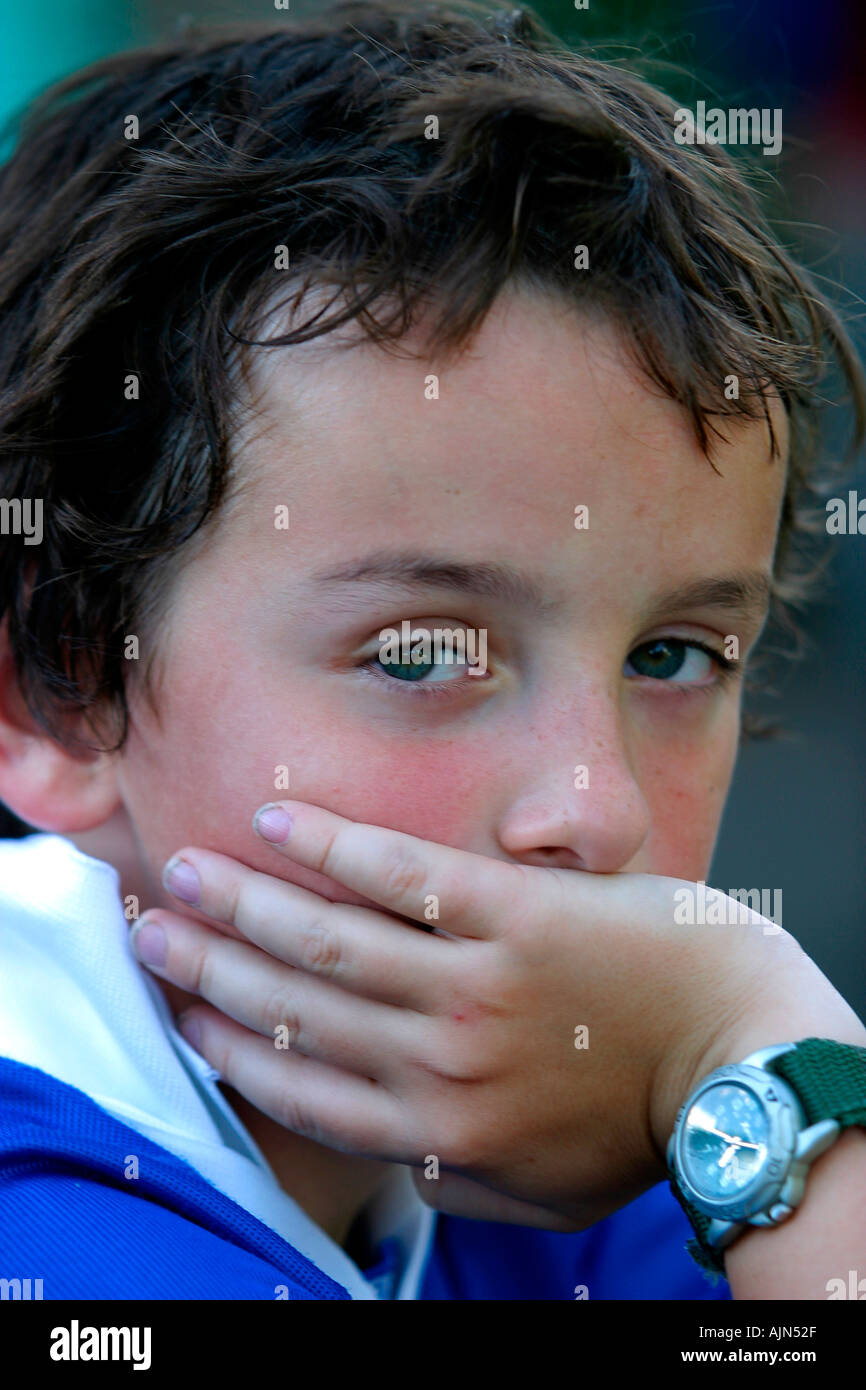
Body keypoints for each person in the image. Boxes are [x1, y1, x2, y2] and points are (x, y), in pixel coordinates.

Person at [0, 0, 864, 1301]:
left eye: (674, 655)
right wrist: (782, 1083)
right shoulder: (53, 1240)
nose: (595, 811)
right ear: (63, 697)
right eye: (416, 653)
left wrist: (733, 1058)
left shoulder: (569, 1152)